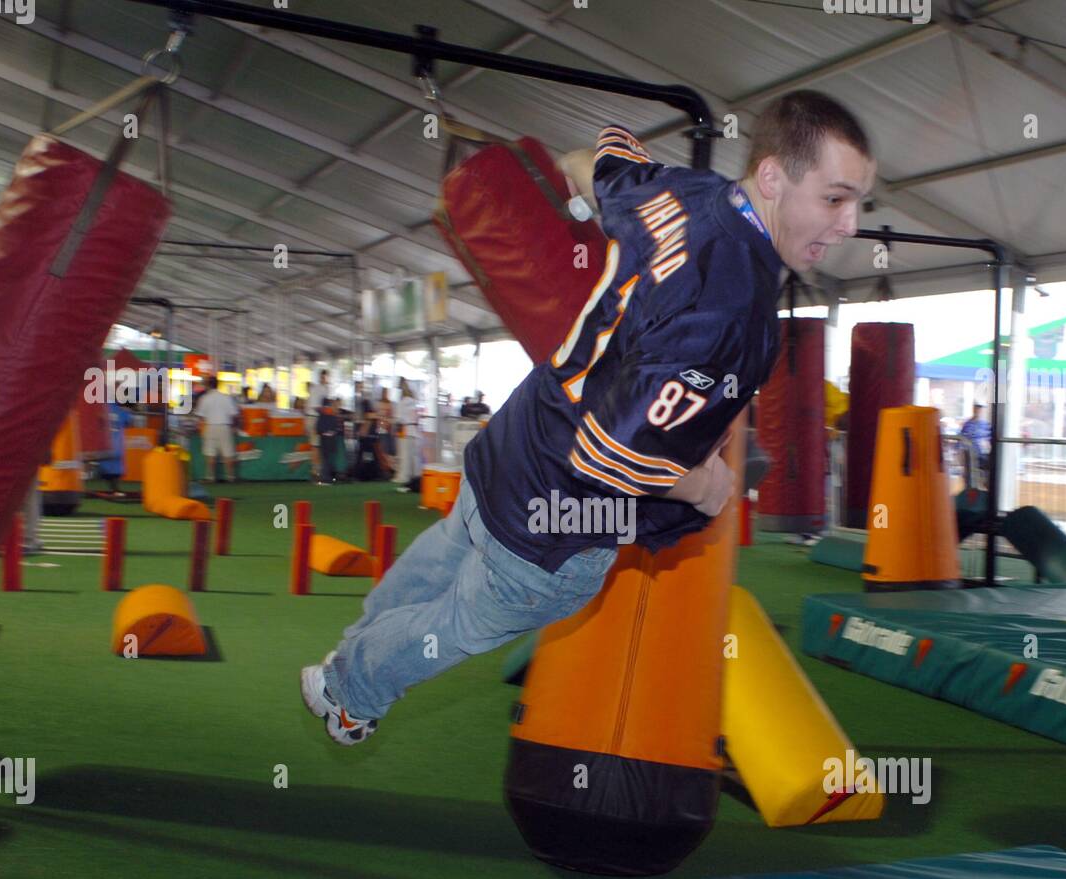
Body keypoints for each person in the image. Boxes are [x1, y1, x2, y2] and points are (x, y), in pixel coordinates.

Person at [302, 91, 875, 745]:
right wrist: (705, 484)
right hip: (559, 524)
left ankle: (353, 649)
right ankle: (348, 691)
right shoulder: (735, 314)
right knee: (455, 626)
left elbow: (594, 155)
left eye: (858, 201)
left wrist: (586, 207)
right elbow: (610, 453)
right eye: (835, 198)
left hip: (512, 445)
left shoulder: (681, 191)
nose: (851, 223)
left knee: (438, 561)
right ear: (773, 175)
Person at [194, 377, 241, 484]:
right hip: (224, 426)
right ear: (218, 384)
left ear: (208, 385)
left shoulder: (204, 398)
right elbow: (234, 415)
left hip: (210, 426)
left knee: (210, 453)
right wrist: (234, 427)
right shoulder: (226, 397)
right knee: (228, 453)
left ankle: (210, 477)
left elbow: (200, 417)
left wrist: (200, 428)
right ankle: (230, 476)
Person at [392, 378, 420, 491]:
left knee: (404, 456)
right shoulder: (413, 401)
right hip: (414, 430)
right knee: (413, 456)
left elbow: (399, 418)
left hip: (404, 429)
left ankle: (404, 477)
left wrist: (393, 421)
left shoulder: (402, 402)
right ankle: (415, 477)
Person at [305, 369, 330, 480]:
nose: (325, 379)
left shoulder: (326, 389)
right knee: (316, 446)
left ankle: (318, 470)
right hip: (314, 418)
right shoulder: (316, 389)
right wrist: (328, 411)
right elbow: (315, 407)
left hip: (319, 419)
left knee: (319, 446)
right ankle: (316, 471)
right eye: (324, 377)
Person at [316, 397, 345, 485]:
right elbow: (335, 427)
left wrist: (323, 432)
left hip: (324, 439)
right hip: (330, 439)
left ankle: (326, 478)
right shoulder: (332, 414)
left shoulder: (323, 414)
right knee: (328, 459)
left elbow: (318, 428)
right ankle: (328, 477)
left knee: (325, 459)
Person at [960, 402, 992, 477]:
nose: (978, 411)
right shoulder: (967, 424)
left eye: (980, 409)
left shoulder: (985, 424)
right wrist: (962, 457)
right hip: (970, 455)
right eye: (977, 408)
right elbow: (962, 440)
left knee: (983, 476)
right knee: (969, 477)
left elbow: (990, 440)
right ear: (973, 409)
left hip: (982, 455)